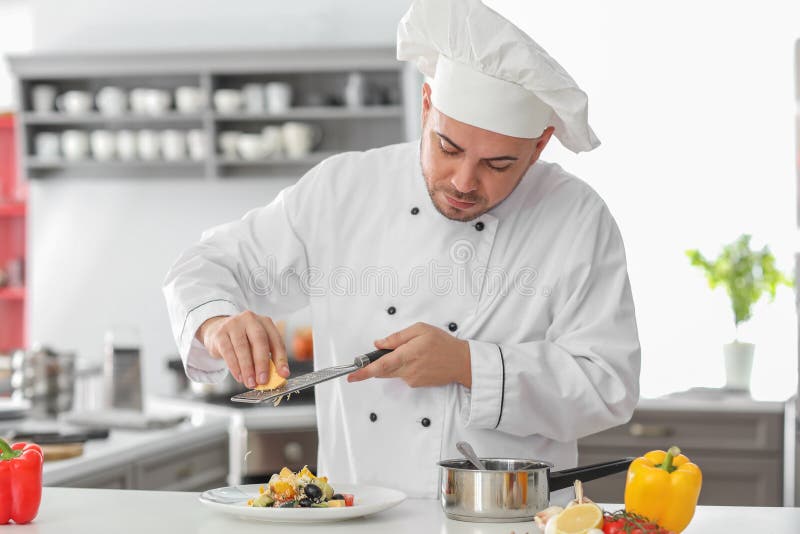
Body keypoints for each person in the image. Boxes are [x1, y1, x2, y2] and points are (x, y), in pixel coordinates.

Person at [163, 0, 640, 498]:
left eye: (497, 165)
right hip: (358, 513)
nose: (463, 181)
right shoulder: (343, 189)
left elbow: (608, 385)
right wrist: (218, 324)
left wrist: (467, 365)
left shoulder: (577, 219)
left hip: (511, 521)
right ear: (427, 104)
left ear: (539, 145)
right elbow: (204, 265)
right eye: (448, 148)